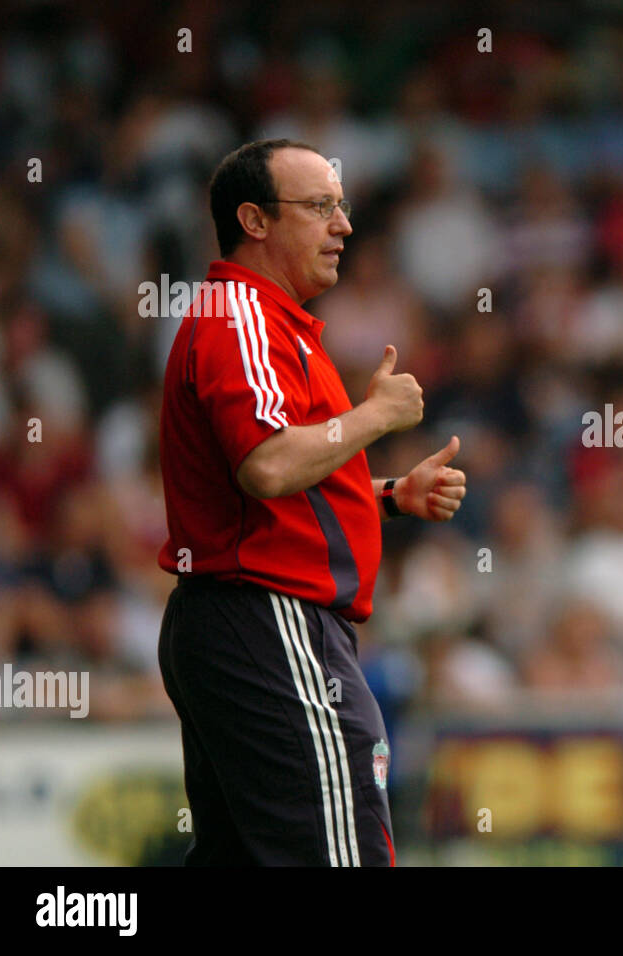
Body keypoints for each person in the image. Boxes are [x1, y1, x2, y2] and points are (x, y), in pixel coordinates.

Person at [156, 139, 466, 865]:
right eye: (321, 206)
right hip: (271, 621)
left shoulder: (264, 319)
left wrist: (389, 494)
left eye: (343, 205)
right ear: (254, 221)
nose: (344, 225)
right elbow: (266, 468)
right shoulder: (244, 317)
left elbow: (284, 482)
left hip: (241, 621)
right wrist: (377, 417)